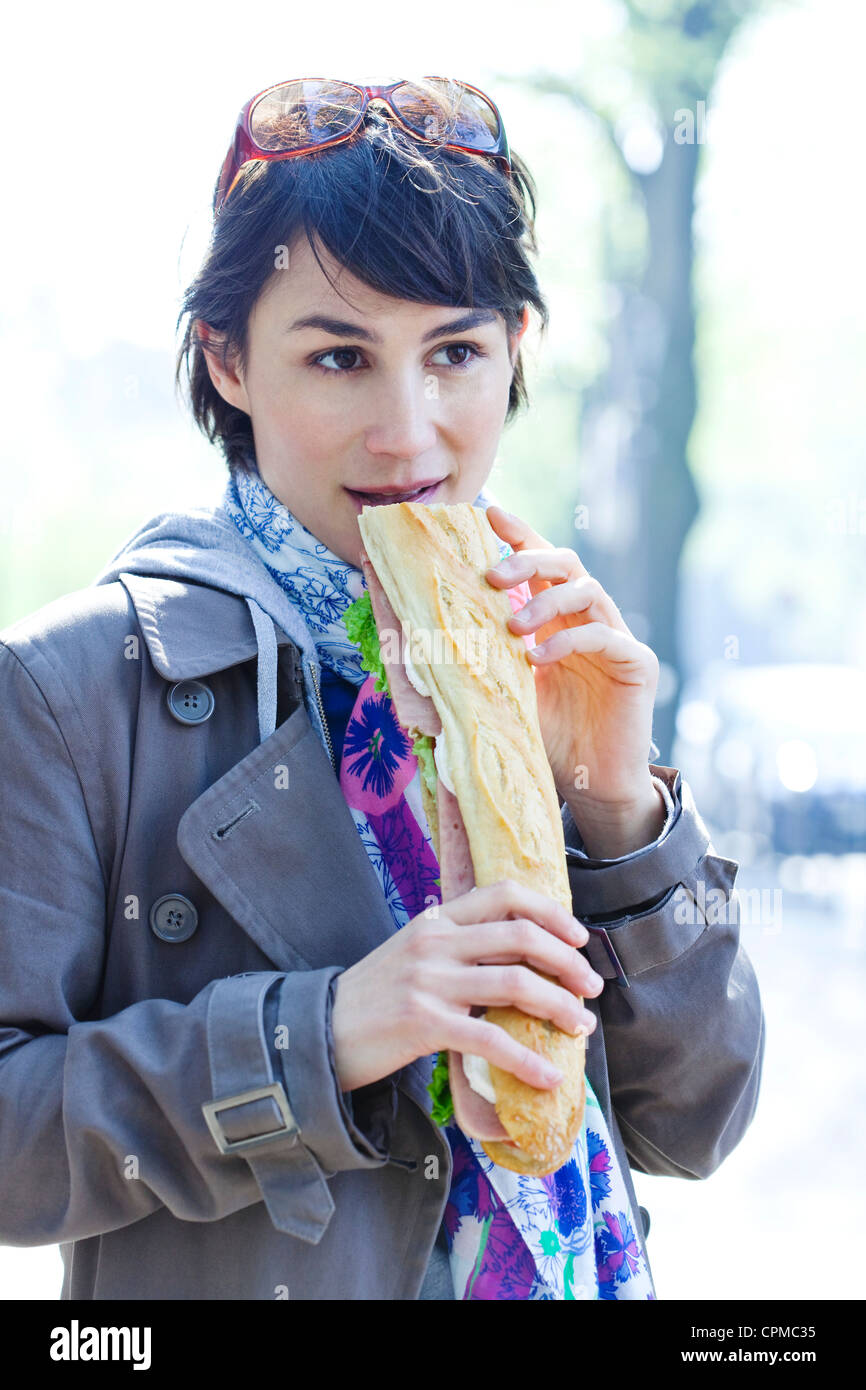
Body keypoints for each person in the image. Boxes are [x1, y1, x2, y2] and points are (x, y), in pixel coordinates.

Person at [0, 78, 764, 1300]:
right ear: (227, 360)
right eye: (339, 357)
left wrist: (621, 810)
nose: (408, 435)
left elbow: (695, 1121)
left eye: (454, 352)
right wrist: (325, 1031)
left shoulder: (536, 650)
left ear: (516, 347)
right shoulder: (74, 687)